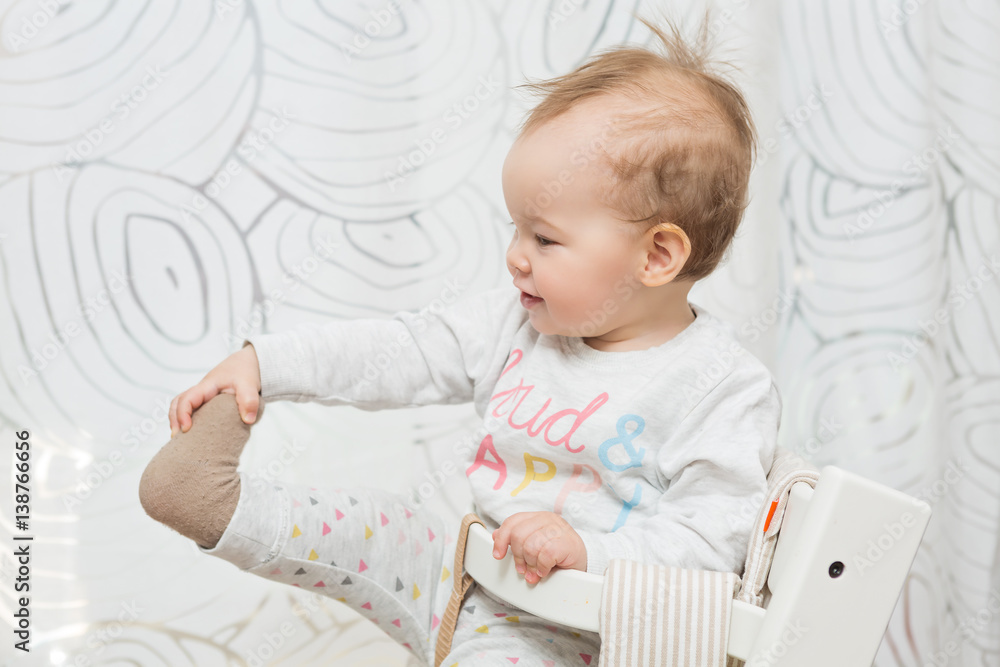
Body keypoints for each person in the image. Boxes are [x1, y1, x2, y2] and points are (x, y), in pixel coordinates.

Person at [139, 12, 778, 666]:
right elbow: (400, 351)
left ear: (658, 255)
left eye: (545, 238)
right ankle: (213, 501)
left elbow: (711, 542)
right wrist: (265, 364)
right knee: (380, 523)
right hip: (466, 570)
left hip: (572, 629)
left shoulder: (721, 389)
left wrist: (590, 554)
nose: (515, 257)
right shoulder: (516, 323)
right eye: (516, 229)